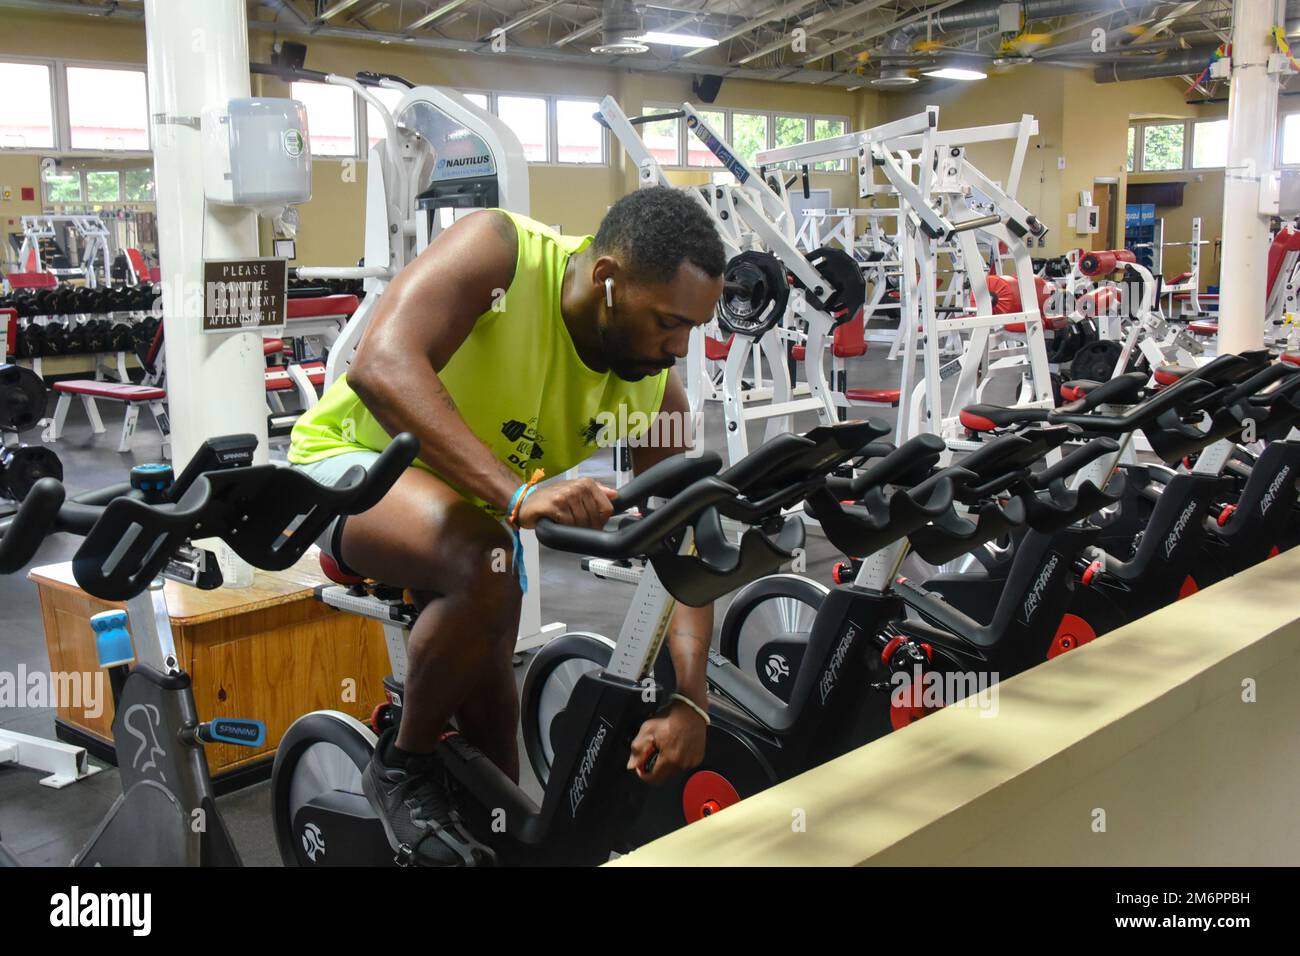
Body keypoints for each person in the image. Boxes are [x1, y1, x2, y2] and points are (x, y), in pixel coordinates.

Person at [288, 186, 726, 865]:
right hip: (350, 465)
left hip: (473, 519)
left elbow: (686, 532)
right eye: (669, 321)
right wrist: (517, 494)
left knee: (494, 742)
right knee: (482, 556)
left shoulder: (654, 388)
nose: (679, 348)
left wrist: (691, 700)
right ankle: (400, 765)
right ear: (608, 281)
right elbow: (379, 364)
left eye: (692, 329)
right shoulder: (502, 253)